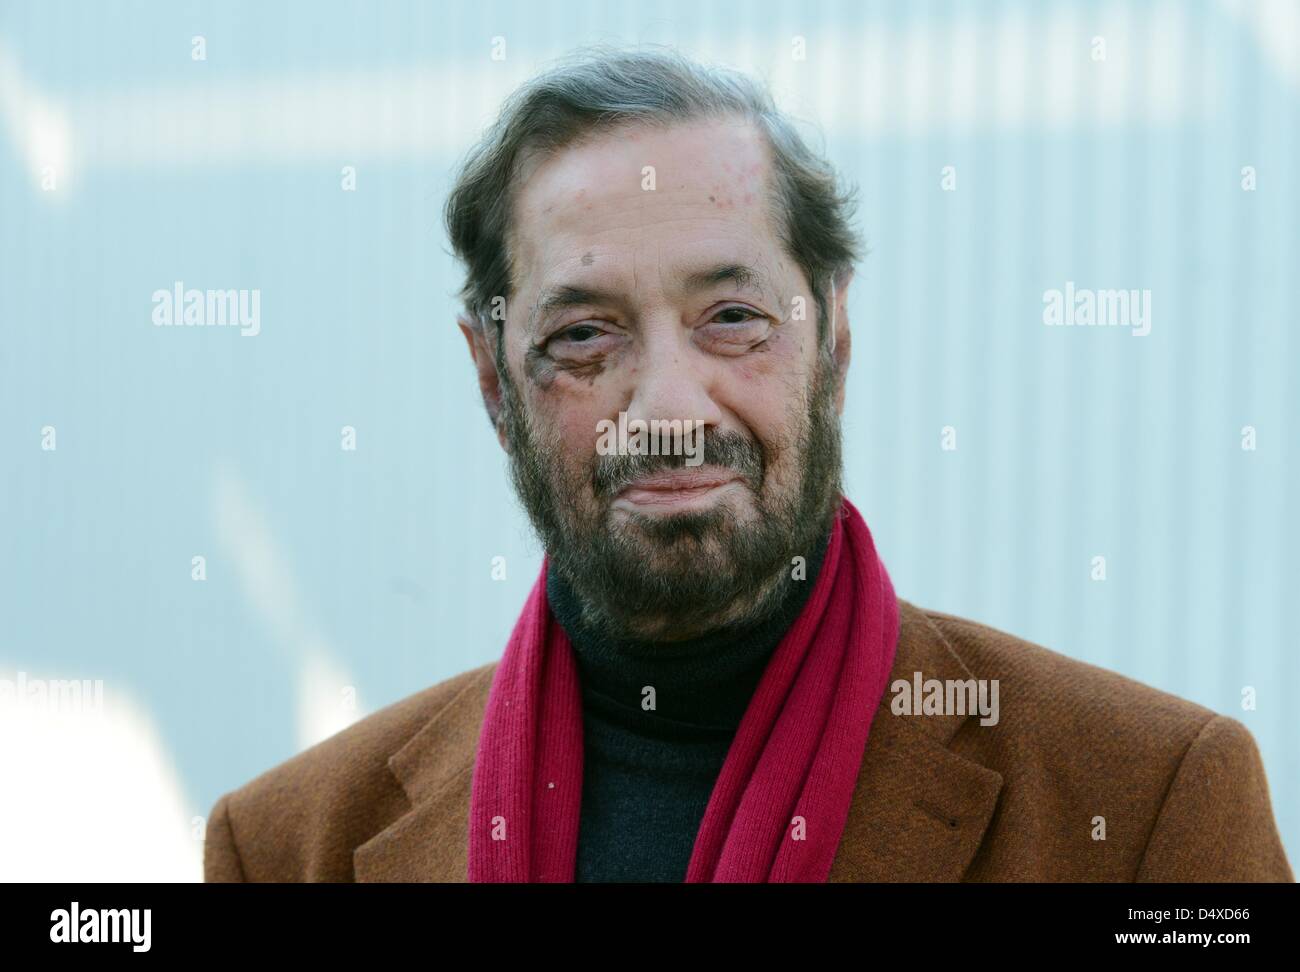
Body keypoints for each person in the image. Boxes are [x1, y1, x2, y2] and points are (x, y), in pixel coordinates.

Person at [204, 45, 1293, 883]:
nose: (670, 405)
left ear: (835, 344)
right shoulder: (291, 849)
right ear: (493, 378)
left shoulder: (1147, 805)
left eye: (732, 316)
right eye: (583, 335)